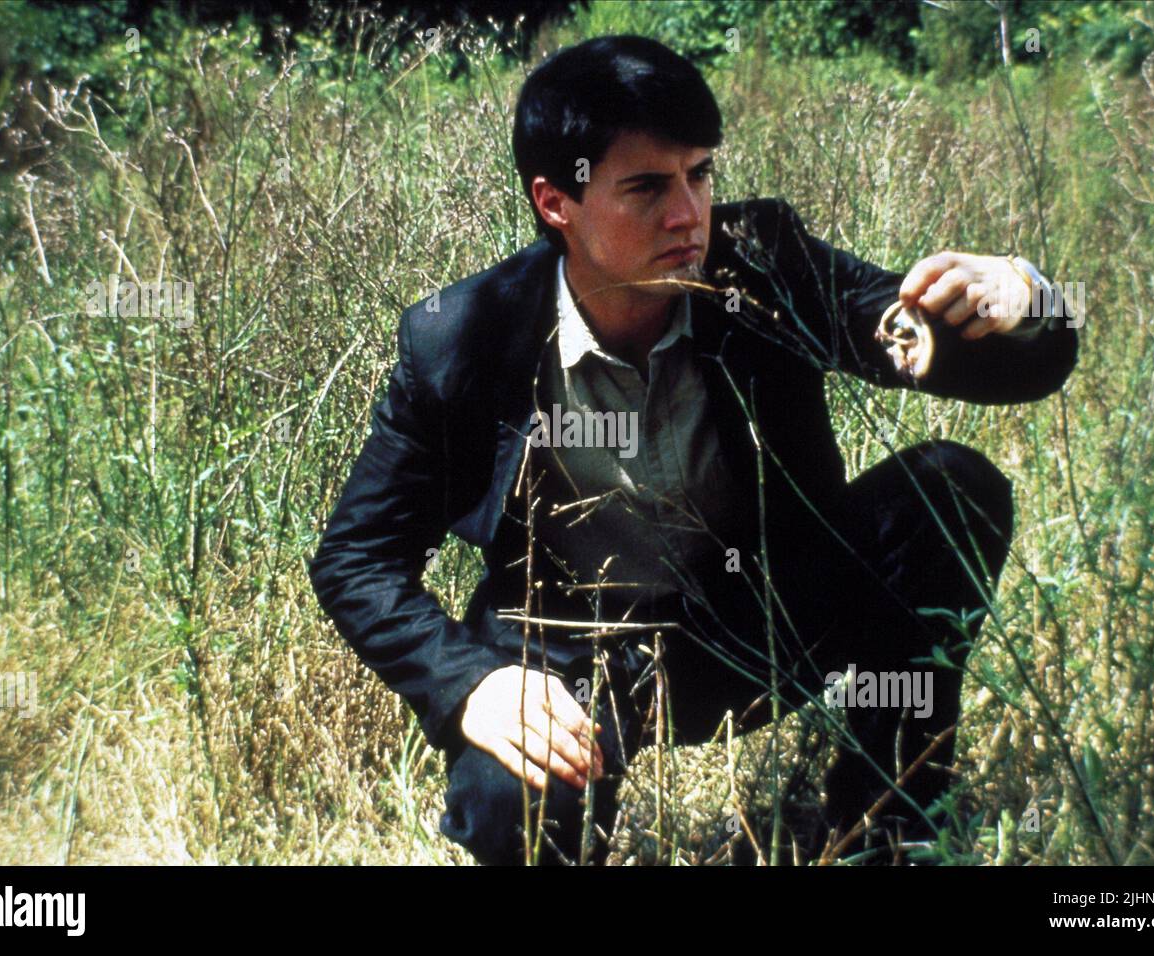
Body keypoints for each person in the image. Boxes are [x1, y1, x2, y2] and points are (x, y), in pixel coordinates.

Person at [307, 35, 1079, 866]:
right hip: (581, 655)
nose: (688, 215)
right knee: (512, 808)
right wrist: (472, 683)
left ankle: (886, 827)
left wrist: (1028, 304)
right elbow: (357, 558)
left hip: (765, 620)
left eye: (700, 174)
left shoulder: (759, 268)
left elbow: (931, 339)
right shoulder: (462, 339)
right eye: (645, 187)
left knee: (950, 490)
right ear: (555, 201)